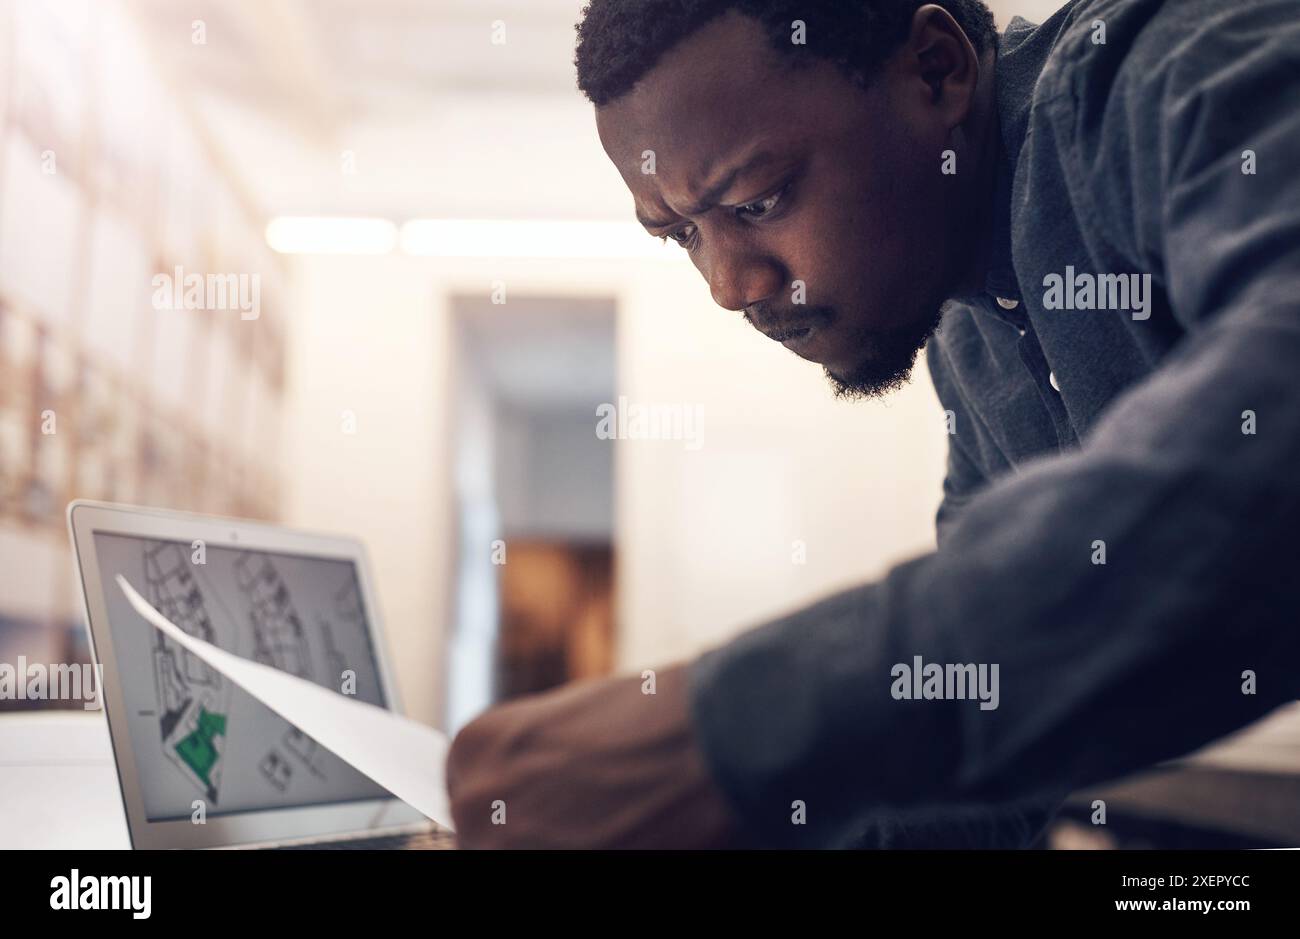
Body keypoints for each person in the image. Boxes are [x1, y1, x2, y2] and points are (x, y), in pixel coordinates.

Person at [444, 0, 1300, 848]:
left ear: (936, 70)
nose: (729, 285)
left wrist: (735, 731)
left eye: (758, 198)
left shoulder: (1179, 64)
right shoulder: (972, 345)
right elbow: (980, 730)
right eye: (681, 236)